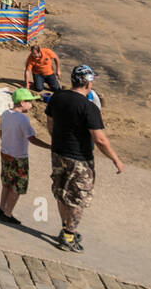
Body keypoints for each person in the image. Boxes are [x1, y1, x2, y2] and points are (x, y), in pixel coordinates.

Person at [46, 64, 123, 252]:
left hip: (58, 153)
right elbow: (100, 140)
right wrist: (115, 159)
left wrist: (58, 139)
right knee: (79, 198)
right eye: (91, 80)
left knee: (62, 192)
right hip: (79, 159)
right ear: (86, 82)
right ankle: (69, 236)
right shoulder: (89, 108)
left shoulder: (57, 97)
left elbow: (50, 123)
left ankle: (66, 229)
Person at [0, 88, 50, 224]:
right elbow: (32, 139)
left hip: (5, 153)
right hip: (19, 157)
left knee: (7, 183)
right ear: (21, 103)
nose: (31, 105)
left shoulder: (5, 114)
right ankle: (7, 213)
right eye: (29, 102)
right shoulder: (23, 120)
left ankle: (2, 208)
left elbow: (1, 134)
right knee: (18, 187)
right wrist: (49, 147)